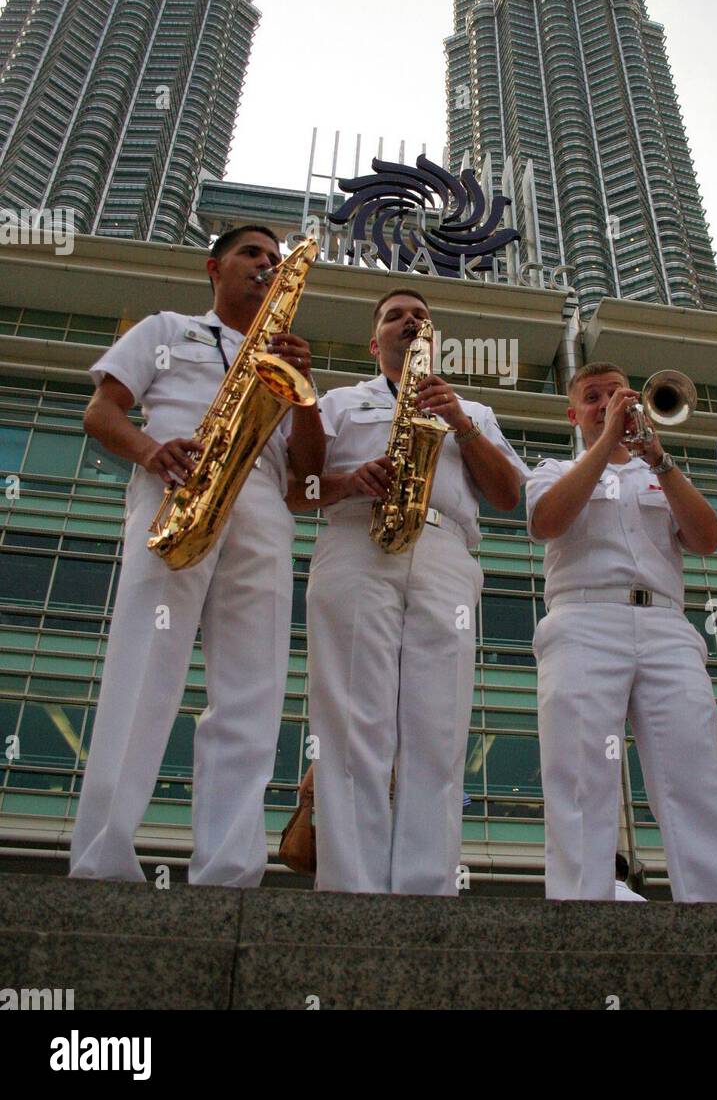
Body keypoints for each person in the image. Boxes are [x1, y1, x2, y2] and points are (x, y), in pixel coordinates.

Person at [70, 226, 325, 887]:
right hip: (177, 490)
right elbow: (102, 413)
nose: (265, 267)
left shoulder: (285, 353)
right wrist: (151, 451)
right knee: (143, 673)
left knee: (253, 691)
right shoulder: (166, 330)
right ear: (215, 267)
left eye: (275, 260)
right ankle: (102, 858)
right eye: (252, 255)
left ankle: (230, 868)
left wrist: (307, 385)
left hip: (263, 508)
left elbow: (310, 475)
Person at [294, 289, 528, 895]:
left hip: (445, 551)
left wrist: (460, 424)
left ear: (434, 340)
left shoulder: (471, 409)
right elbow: (296, 493)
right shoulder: (341, 403)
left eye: (419, 315)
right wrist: (346, 483)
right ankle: (352, 886)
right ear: (375, 344)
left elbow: (508, 497)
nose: (408, 321)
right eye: (393, 315)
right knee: (352, 724)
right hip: (356, 542)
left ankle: (427, 888)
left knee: (439, 727)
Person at [526, 361, 717, 903]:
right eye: (593, 398)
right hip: (583, 619)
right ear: (574, 413)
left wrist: (660, 458)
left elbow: (708, 538)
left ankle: (716, 913)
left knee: (693, 775)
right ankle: (580, 911)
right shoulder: (554, 468)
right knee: (580, 776)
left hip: (666, 623)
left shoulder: (658, 471)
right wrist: (605, 445)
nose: (607, 404)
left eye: (616, 394)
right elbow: (546, 521)